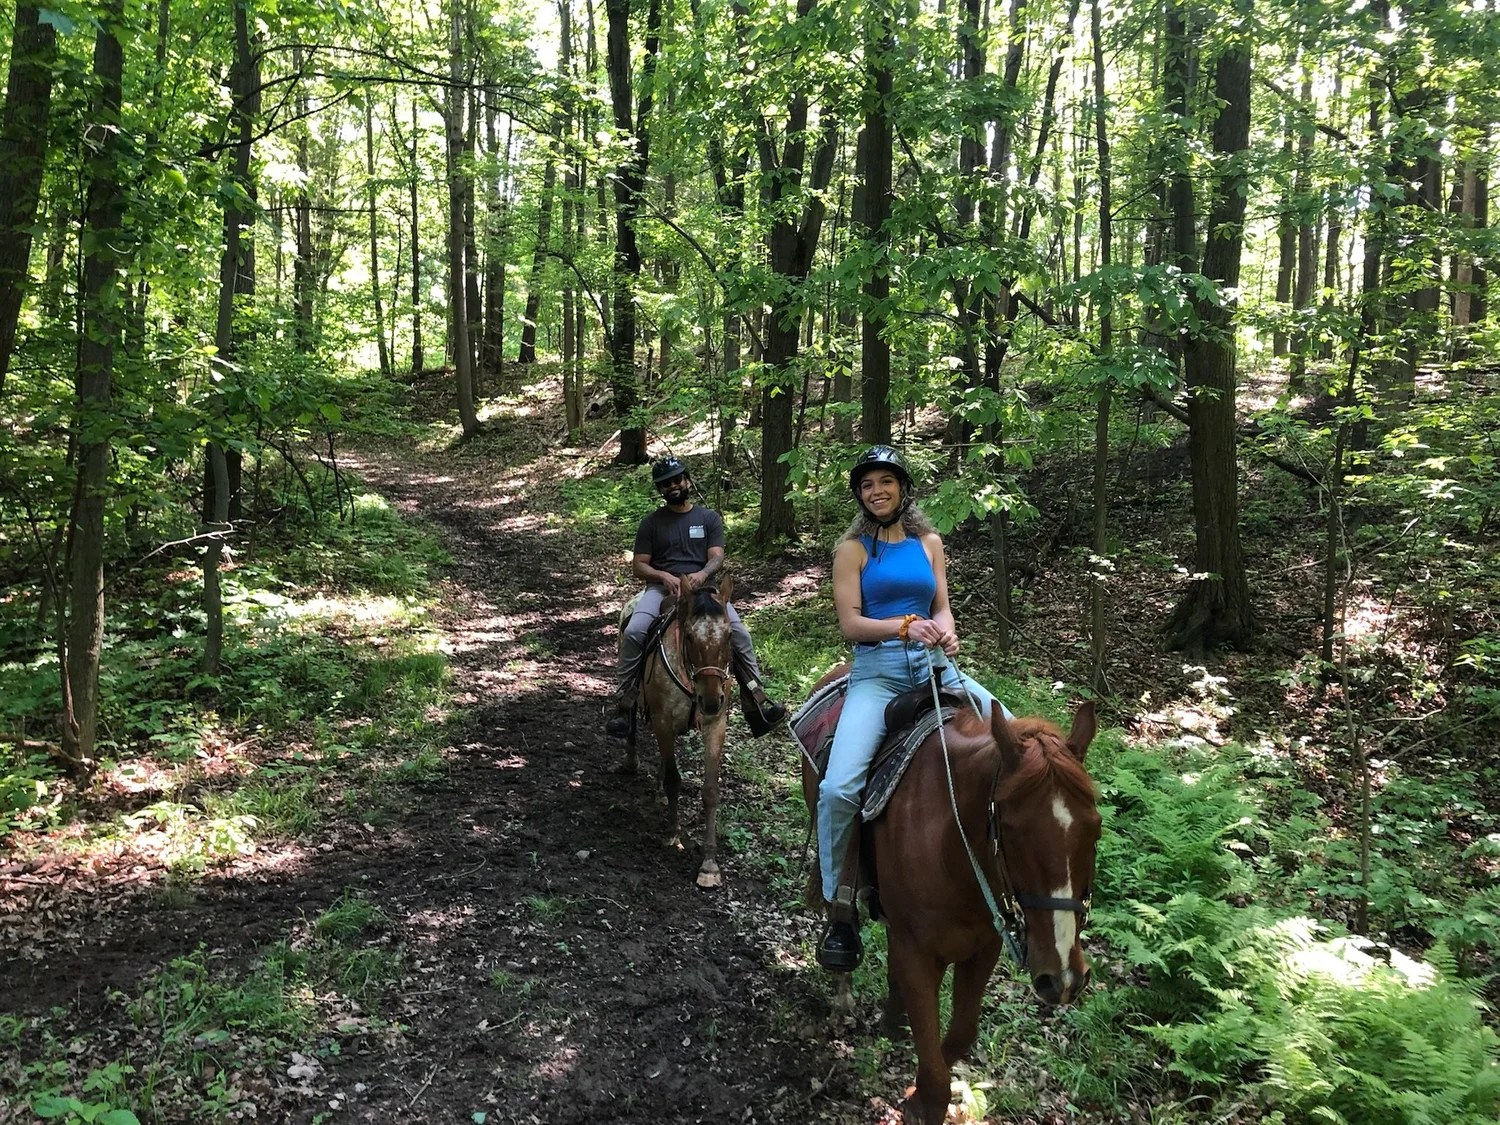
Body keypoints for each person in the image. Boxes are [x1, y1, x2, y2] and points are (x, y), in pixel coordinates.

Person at [815, 445, 1007, 971]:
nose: (876, 492)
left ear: (903, 488)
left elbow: (940, 604)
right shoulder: (852, 550)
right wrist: (903, 625)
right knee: (838, 787)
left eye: (885, 482)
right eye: (867, 485)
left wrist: (948, 631)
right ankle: (839, 904)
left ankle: (1010, 873)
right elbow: (851, 624)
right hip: (877, 674)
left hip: (935, 668)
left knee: (1017, 740)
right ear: (860, 495)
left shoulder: (929, 544)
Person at [606, 456, 787, 738]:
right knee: (635, 631)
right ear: (660, 489)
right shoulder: (651, 523)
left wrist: (702, 574)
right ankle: (625, 702)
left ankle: (757, 699)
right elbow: (638, 565)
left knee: (739, 634)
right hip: (662, 590)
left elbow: (716, 557)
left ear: (686, 480)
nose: (673, 486)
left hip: (705, 592)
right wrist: (663, 576)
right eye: (666, 484)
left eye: (677, 480)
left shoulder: (708, 518)